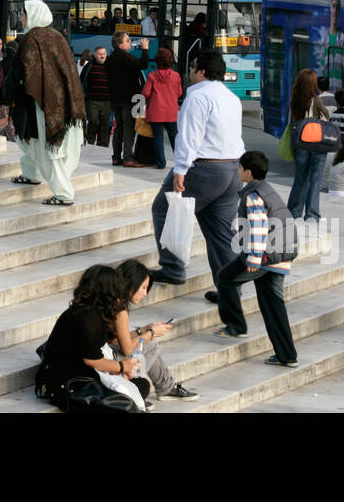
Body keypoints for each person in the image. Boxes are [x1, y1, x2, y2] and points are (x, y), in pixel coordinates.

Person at [149, 51, 244, 286]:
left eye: (193, 66)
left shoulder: (198, 96)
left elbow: (190, 136)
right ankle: (229, 290)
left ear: (202, 71)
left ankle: (172, 268)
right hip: (232, 169)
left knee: (164, 209)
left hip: (204, 167)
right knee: (221, 234)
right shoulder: (232, 97)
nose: (189, 70)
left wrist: (180, 169)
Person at [213, 151, 300, 367]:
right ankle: (286, 355)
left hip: (266, 256)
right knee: (272, 304)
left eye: (240, 168)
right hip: (279, 253)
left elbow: (258, 227)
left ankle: (236, 326)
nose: (237, 171)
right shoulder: (267, 189)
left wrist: (253, 258)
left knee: (225, 277)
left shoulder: (253, 195)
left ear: (248, 173)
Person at [0, 0, 85, 206]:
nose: (21, 18)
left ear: (34, 15)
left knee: (47, 146)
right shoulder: (57, 37)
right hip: (62, 100)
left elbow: (22, 71)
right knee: (33, 141)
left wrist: (4, 94)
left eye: (24, 14)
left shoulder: (32, 38)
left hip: (43, 103)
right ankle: (30, 173)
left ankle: (63, 193)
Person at [35, 264, 149, 411]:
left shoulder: (92, 313)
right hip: (67, 384)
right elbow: (92, 360)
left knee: (141, 385)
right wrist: (121, 366)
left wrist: (117, 371)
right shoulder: (85, 318)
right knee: (126, 401)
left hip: (84, 373)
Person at [113, 259, 198, 400]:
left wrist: (143, 330)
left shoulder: (114, 301)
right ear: (131, 283)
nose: (145, 294)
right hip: (104, 360)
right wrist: (151, 334)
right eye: (143, 288)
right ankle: (131, 389)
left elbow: (116, 338)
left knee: (148, 342)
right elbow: (126, 348)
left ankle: (165, 387)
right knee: (150, 344)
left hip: (103, 352)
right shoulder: (119, 309)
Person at [286, 68, 331, 222]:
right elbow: (327, 116)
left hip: (300, 142)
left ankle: (294, 212)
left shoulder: (294, 99)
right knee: (315, 179)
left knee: (300, 178)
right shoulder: (316, 99)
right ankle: (312, 214)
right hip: (316, 143)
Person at [107, 31, 150, 168]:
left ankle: (116, 156)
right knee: (129, 128)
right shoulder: (124, 56)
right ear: (119, 44)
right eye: (127, 40)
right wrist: (145, 49)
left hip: (115, 98)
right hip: (128, 98)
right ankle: (128, 158)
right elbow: (143, 64)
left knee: (119, 127)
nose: (130, 42)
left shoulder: (111, 58)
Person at [141, 47, 181, 171]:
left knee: (158, 137)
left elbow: (146, 93)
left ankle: (161, 163)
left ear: (157, 61)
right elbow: (179, 93)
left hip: (156, 111)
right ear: (170, 61)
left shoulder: (152, 76)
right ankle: (180, 161)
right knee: (174, 137)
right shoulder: (176, 76)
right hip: (171, 111)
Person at [80, 45, 111, 147]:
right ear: (95, 55)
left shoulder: (110, 66)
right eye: (100, 54)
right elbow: (82, 80)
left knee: (105, 122)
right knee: (93, 120)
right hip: (92, 100)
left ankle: (103, 143)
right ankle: (90, 140)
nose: (102, 56)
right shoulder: (89, 66)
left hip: (107, 100)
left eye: (104, 54)